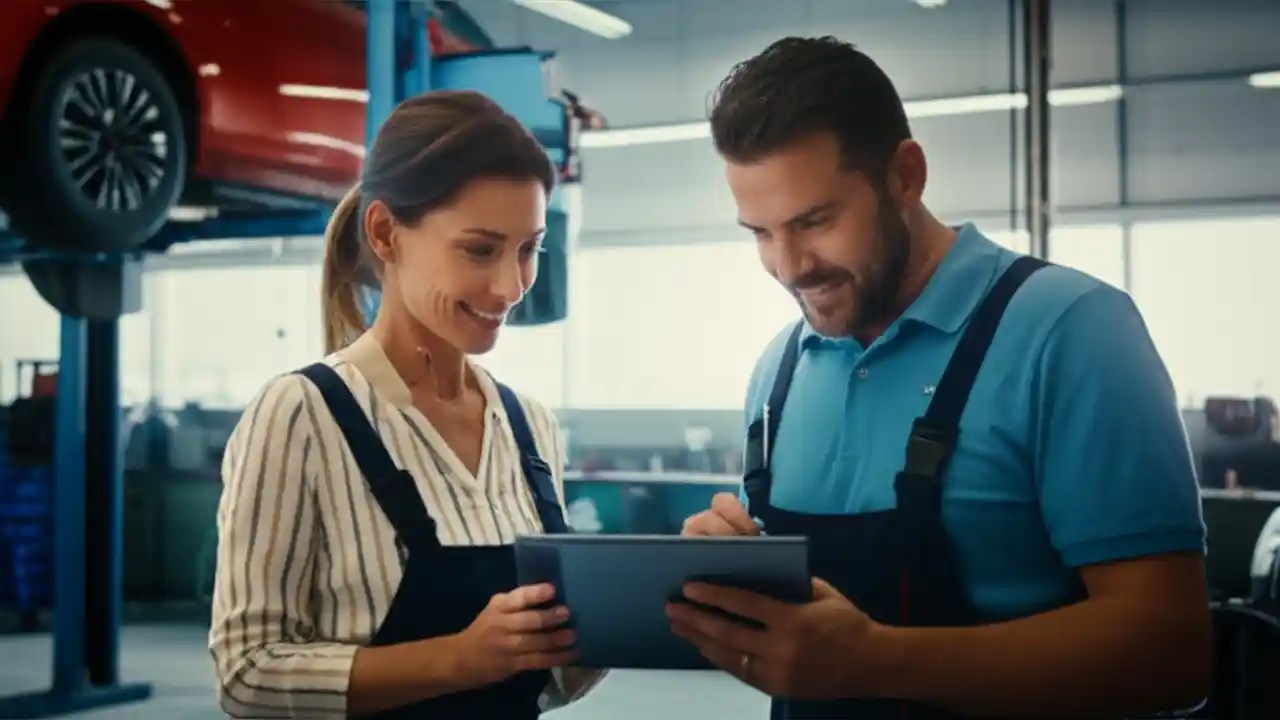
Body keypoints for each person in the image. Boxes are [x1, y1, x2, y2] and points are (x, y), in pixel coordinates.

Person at [671, 37, 1212, 719]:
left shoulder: (1072, 330)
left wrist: (873, 660)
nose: (790, 266)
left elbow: (1172, 652)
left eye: (815, 221)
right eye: (759, 232)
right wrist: (734, 575)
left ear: (905, 175)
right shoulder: (779, 370)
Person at [209, 91, 602, 719]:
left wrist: (623, 624)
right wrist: (461, 659)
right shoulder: (301, 414)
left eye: (529, 249)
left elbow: (546, 680)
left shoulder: (531, 428)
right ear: (387, 233)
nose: (510, 286)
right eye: (480, 249)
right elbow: (247, 675)